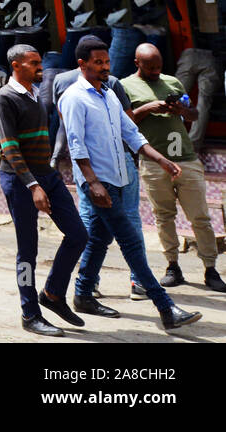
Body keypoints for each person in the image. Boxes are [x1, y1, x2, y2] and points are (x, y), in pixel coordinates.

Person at [63, 37, 202, 329]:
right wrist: (93, 182)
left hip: (120, 178)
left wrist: (162, 160)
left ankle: (82, 294)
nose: (104, 67)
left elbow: (132, 135)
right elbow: (76, 145)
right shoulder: (75, 97)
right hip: (99, 182)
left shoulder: (110, 93)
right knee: (130, 240)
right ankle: (165, 306)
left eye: (106, 62)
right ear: (82, 64)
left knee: (100, 238)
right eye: (98, 62)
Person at [0, 44, 89, 336]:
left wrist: (47, 176)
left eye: (39, 61)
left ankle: (53, 294)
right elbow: (9, 148)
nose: (39, 67)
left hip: (48, 176)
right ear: (16, 66)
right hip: (21, 182)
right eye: (33, 63)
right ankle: (29, 313)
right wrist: (33, 185)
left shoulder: (37, 96)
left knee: (78, 234)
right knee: (28, 250)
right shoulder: (3, 99)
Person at [122, 43, 226, 293]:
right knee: (164, 216)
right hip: (154, 161)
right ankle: (172, 266)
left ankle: (211, 269)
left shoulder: (172, 82)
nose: (156, 71)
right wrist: (148, 107)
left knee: (200, 217)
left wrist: (181, 110)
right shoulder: (125, 86)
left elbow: (193, 116)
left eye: (159, 67)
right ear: (138, 63)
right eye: (150, 68)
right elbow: (125, 121)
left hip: (186, 158)